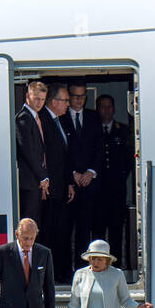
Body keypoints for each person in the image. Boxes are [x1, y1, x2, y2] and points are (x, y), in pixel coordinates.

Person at [68, 239, 151, 308]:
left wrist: (138, 307)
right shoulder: (80, 274)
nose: (95, 262)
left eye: (99, 259)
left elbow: (125, 299)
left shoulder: (117, 274)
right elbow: (74, 303)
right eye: (93, 258)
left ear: (107, 260)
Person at [92, 94, 133, 266]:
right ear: (97, 109)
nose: (106, 110)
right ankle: (96, 264)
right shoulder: (92, 130)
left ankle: (115, 266)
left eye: (109, 106)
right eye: (102, 106)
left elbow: (130, 160)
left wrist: (121, 176)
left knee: (116, 230)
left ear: (114, 109)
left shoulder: (123, 130)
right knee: (98, 231)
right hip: (97, 190)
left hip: (117, 190)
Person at [40, 85, 75, 281]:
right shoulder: (43, 120)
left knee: (62, 232)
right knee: (51, 233)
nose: (68, 105)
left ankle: (62, 272)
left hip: (61, 187)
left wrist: (68, 182)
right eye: (65, 101)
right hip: (50, 190)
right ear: (54, 102)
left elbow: (64, 156)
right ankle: (53, 274)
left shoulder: (58, 121)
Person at [65, 82, 102, 264]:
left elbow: (99, 148)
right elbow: (58, 152)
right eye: (75, 96)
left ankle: (82, 266)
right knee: (65, 227)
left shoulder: (93, 118)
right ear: (69, 96)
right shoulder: (61, 118)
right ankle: (64, 271)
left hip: (89, 182)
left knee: (85, 227)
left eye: (82, 97)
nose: (79, 100)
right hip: (68, 183)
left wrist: (90, 172)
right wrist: (72, 173)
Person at [15, 80, 49, 225]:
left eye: (42, 99)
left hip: (35, 182)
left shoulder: (34, 117)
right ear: (27, 96)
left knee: (36, 222)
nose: (39, 103)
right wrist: (43, 177)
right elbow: (27, 151)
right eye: (36, 98)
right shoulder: (24, 118)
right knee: (29, 223)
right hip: (28, 182)